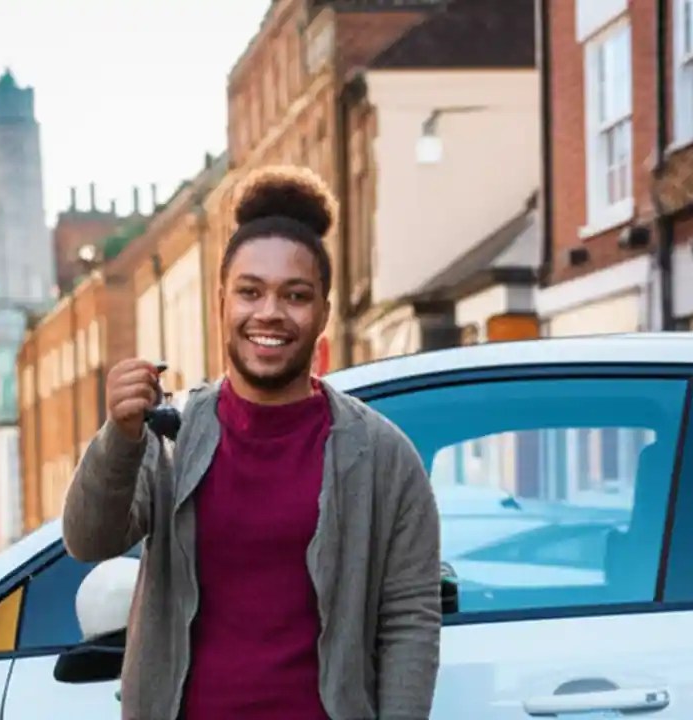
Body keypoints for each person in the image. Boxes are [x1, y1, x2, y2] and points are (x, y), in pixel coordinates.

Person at [62, 165, 441, 720]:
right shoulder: (171, 438)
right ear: (222, 303)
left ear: (323, 314)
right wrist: (118, 437)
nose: (269, 312)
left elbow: (409, 619)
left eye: (295, 295)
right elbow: (87, 539)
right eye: (250, 292)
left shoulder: (382, 456)